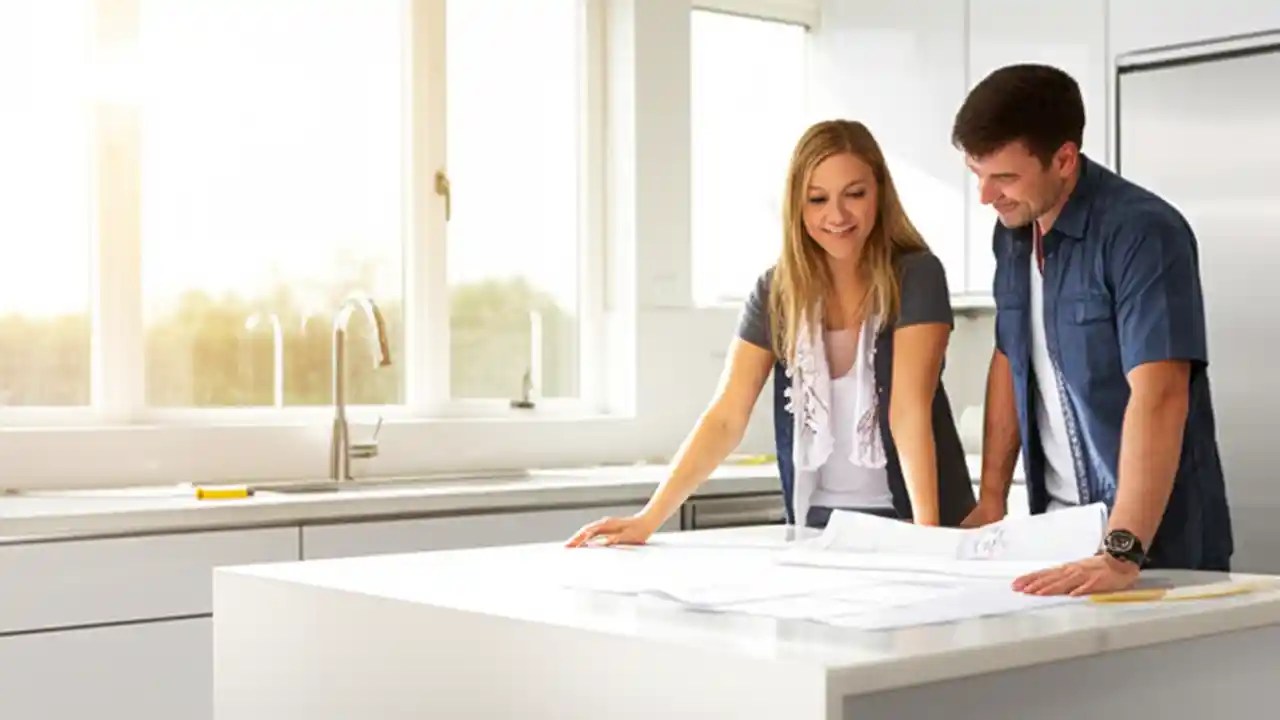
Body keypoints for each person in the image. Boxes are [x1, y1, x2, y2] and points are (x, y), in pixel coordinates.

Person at [567, 119, 975, 549]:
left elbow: (908, 411)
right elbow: (726, 416)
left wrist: (927, 541)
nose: (837, 215)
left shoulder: (916, 276)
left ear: (880, 192)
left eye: (854, 194)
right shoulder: (777, 293)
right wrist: (648, 519)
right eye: (817, 199)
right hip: (818, 528)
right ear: (797, 206)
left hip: (911, 521)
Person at [952, 64, 1233, 595]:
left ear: (1063, 159)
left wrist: (1121, 551)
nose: (986, 196)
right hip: (1058, 542)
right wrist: (991, 499)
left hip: (1156, 553)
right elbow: (1011, 357)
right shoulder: (1013, 231)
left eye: (1004, 177)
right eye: (977, 174)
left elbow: (1161, 393)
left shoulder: (1143, 233)